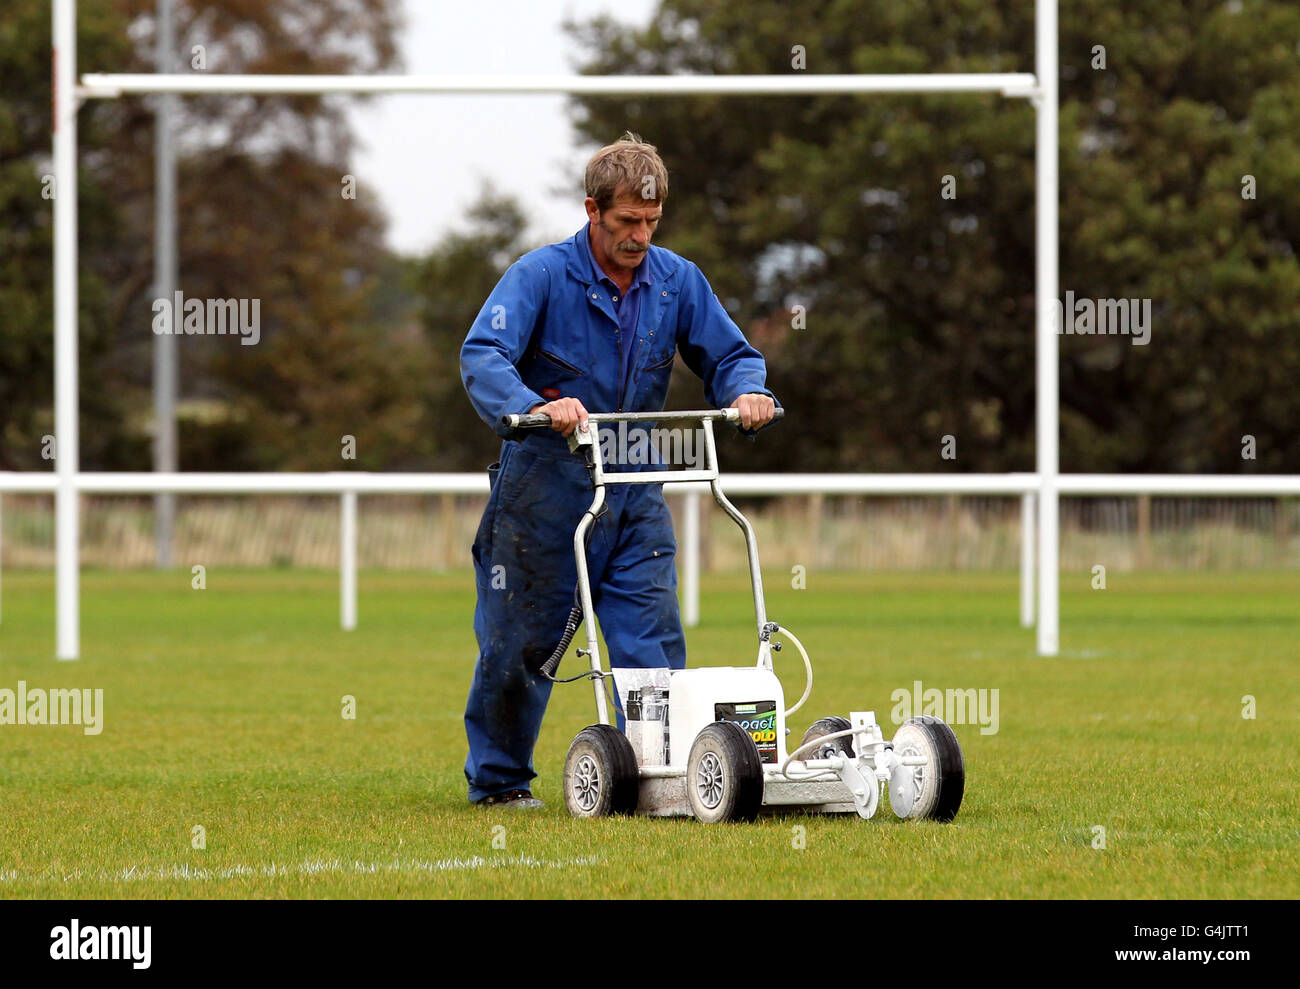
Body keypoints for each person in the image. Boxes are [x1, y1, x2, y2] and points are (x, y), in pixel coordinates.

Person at [459, 132, 778, 808]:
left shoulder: (677, 281)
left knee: (652, 645)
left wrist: (747, 390)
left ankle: (657, 782)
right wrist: (533, 408)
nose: (640, 235)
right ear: (592, 210)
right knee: (521, 645)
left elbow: (731, 354)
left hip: (635, 489)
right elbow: (483, 352)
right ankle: (499, 782)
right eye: (627, 221)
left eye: (652, 222)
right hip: (545, 489)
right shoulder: (541, 274)